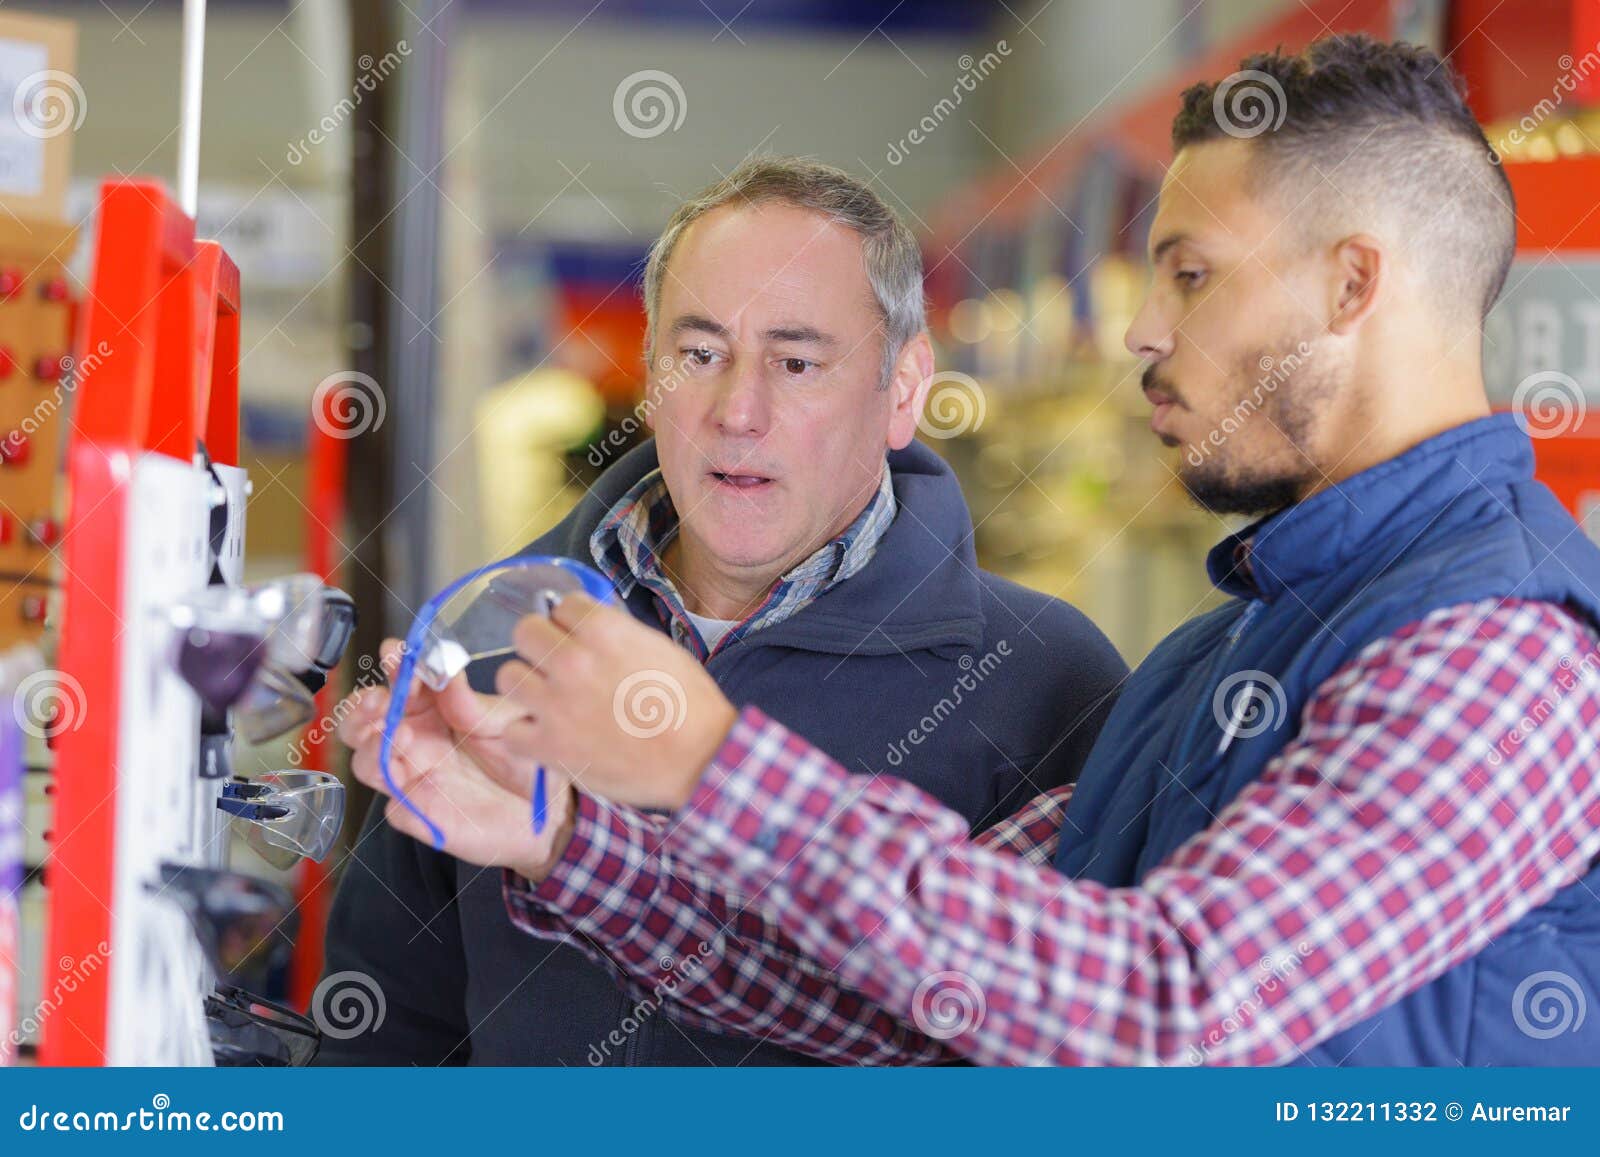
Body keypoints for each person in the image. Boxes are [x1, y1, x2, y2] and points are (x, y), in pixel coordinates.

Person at [343, 34, 1600, 1067]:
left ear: (1350, 285)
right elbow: (916, 1011)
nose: (1143, 332)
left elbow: (1174, 1006)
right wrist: (563, 845)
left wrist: (708, 760)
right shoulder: (1213, 655)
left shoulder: (1500, 657)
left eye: (1190, 276)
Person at [318, 157, 1127, 1065]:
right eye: (699, 356)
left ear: (903, 389)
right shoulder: (496, 632)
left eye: (796, 361)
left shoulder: (1051, 682)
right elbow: (386, 1032)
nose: (739, 411)